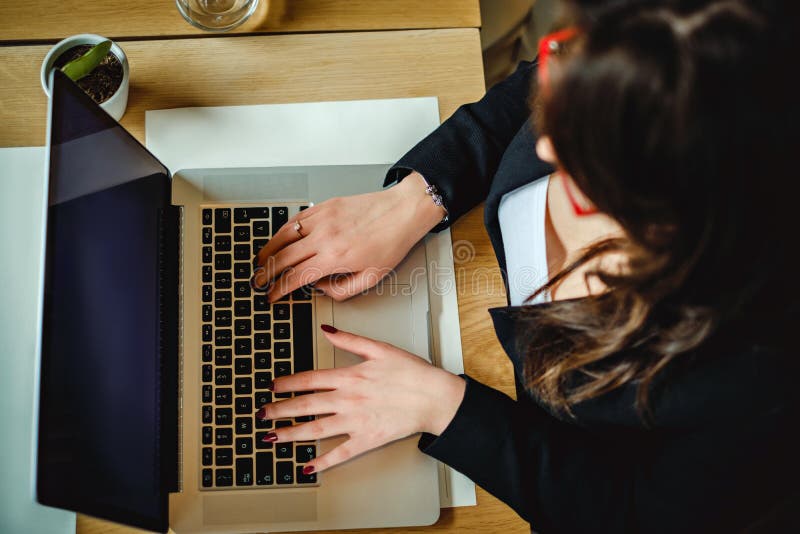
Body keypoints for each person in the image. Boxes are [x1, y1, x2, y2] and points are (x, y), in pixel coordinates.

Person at [249, 0, 799, 531]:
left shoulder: (759, 387)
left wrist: (446, 408)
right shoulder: (658, 56)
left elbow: (628, 513)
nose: (546, 139)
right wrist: (419, 196)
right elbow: (536, 85)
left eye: (591, 161)